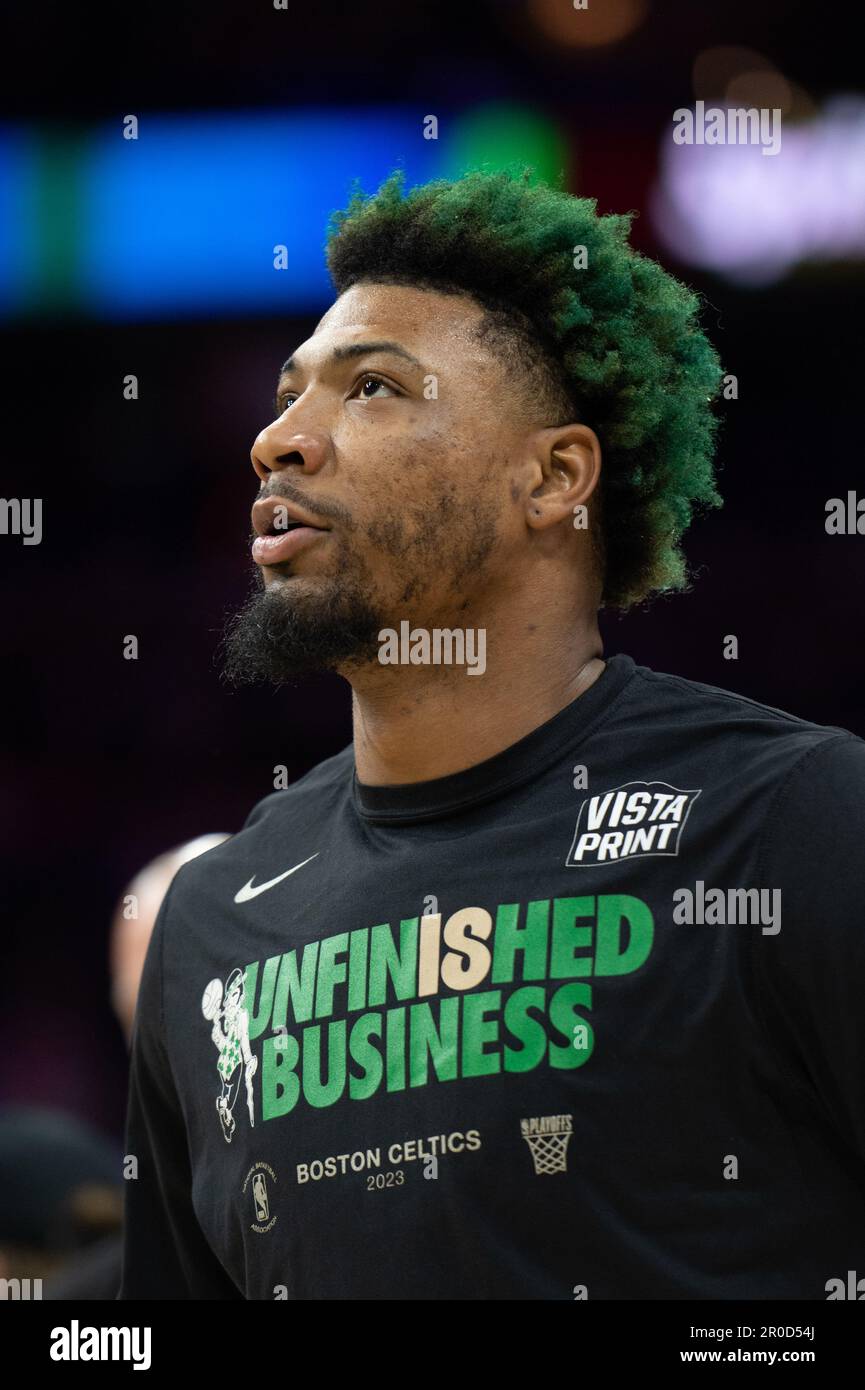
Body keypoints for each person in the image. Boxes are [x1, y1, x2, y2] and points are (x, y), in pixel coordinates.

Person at [119, 168, 865, 1301]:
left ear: (553, 477)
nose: (278, 440)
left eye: (370, 387)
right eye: (286, 394)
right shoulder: (214, 917)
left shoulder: (794, 822)